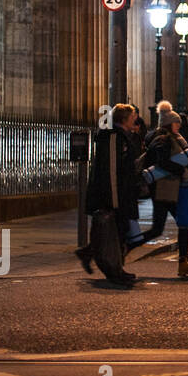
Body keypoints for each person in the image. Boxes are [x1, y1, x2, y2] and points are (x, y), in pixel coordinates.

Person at [76, 103, 143, 286]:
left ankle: (93, 256)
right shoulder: (114, 137)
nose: (135, 119)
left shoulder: (122, 136)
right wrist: (114, 201)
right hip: (114, 196)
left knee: (113, 232)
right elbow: (112, 170)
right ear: (124, 118)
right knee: (117, 232)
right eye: (132, 116)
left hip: (121, 194)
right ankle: (115, 270)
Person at [139, 104, 188, 278]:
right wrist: (181, 170)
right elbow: (163, 163)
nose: (179, 125)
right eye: (177, 123)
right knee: (158, 229)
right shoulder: (163, 139)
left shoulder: (170, 137)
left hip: (169, 188)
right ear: (169, 123)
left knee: (181, 224)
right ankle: (127, 245)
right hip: (162, 189)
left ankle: (184, 263)